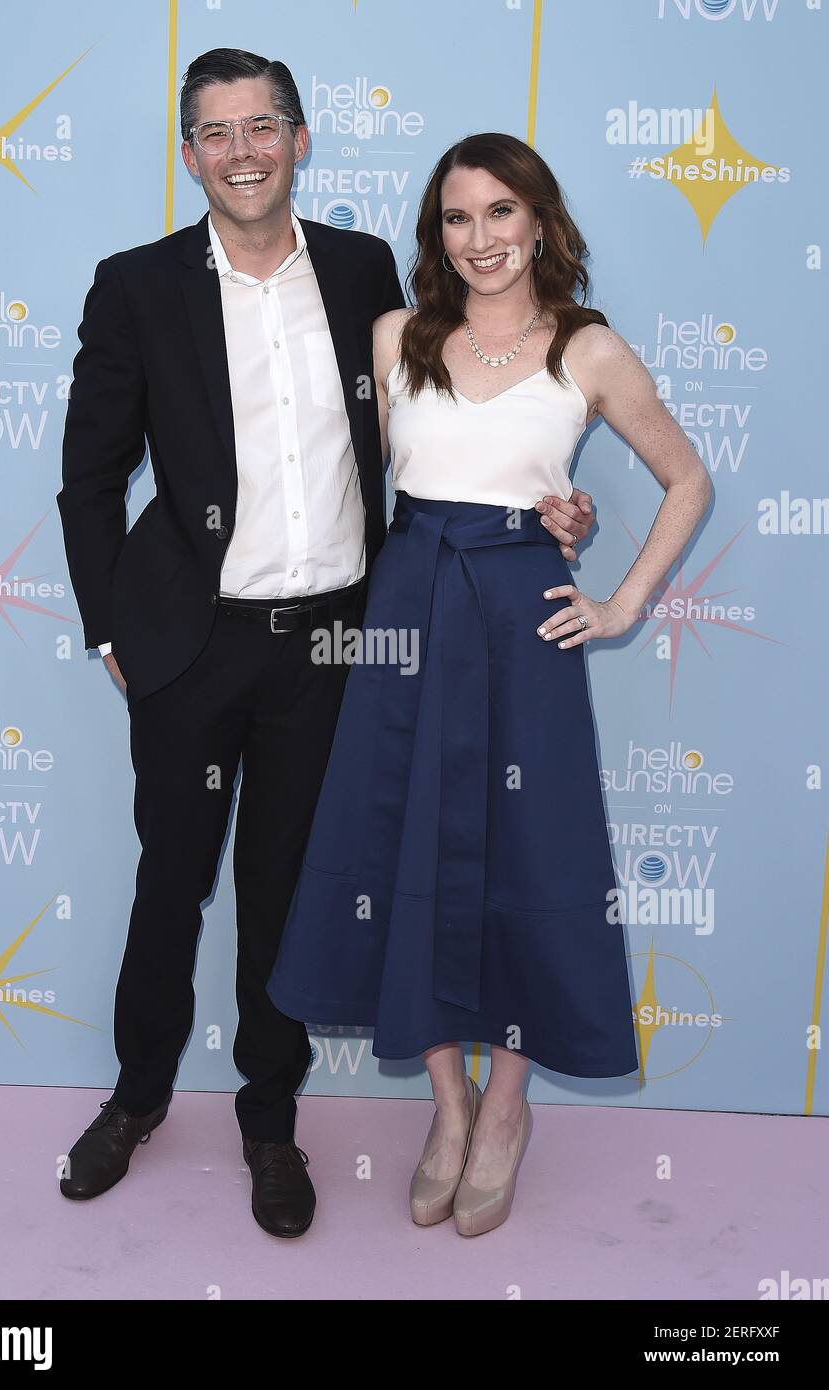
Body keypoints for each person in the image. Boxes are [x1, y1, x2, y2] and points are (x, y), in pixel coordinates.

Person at [55, 54, 596, 1237]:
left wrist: (553, 505)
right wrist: (112, 626)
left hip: (336, 647)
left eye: (262, 126)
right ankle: (137, 1096)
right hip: (190, 648)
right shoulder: (136, 285)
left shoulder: (364, 275)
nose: (240, 150)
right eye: (214, 132)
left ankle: (267, 1120)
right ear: (188, 153)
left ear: (299, 141)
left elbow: (456, 424)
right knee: (169, 882)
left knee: (285, 892)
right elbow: (89, 475)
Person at [268, 132, 712, 1237]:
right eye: (458, 219)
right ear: (439, 235)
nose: (482, 240)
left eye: (501, 214)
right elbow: (379, 487)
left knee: (527, 853)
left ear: (540, 222)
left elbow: (687, 477)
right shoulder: (395, 336)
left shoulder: (587, 345)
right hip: (407, 605)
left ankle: (507, 1108)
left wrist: (616, 598)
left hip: (522, 616)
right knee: (398, 842)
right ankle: (447, 1104)